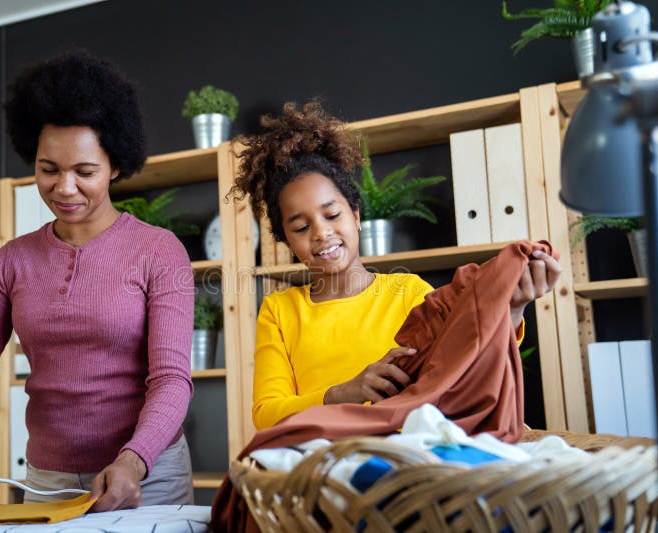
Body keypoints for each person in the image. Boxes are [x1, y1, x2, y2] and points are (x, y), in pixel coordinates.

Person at [0, 51, 195, 511]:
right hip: (48, 480)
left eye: (84, 172)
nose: (64, 188)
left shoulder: (159, 251)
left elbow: (170, 379)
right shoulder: (10, 263)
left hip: (146, 474)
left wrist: (133, 459)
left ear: (116, 166)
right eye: (49, 169)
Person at [230, 101, 561, 431]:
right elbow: (266, 414)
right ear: (288, 242)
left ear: (356, 216)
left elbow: (466, 357)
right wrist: (345, 392)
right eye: (301, 228)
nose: (321, 233)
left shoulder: (409, 292)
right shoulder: (279, 311)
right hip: (322, 463)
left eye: (332, 215)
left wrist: (513, 306)